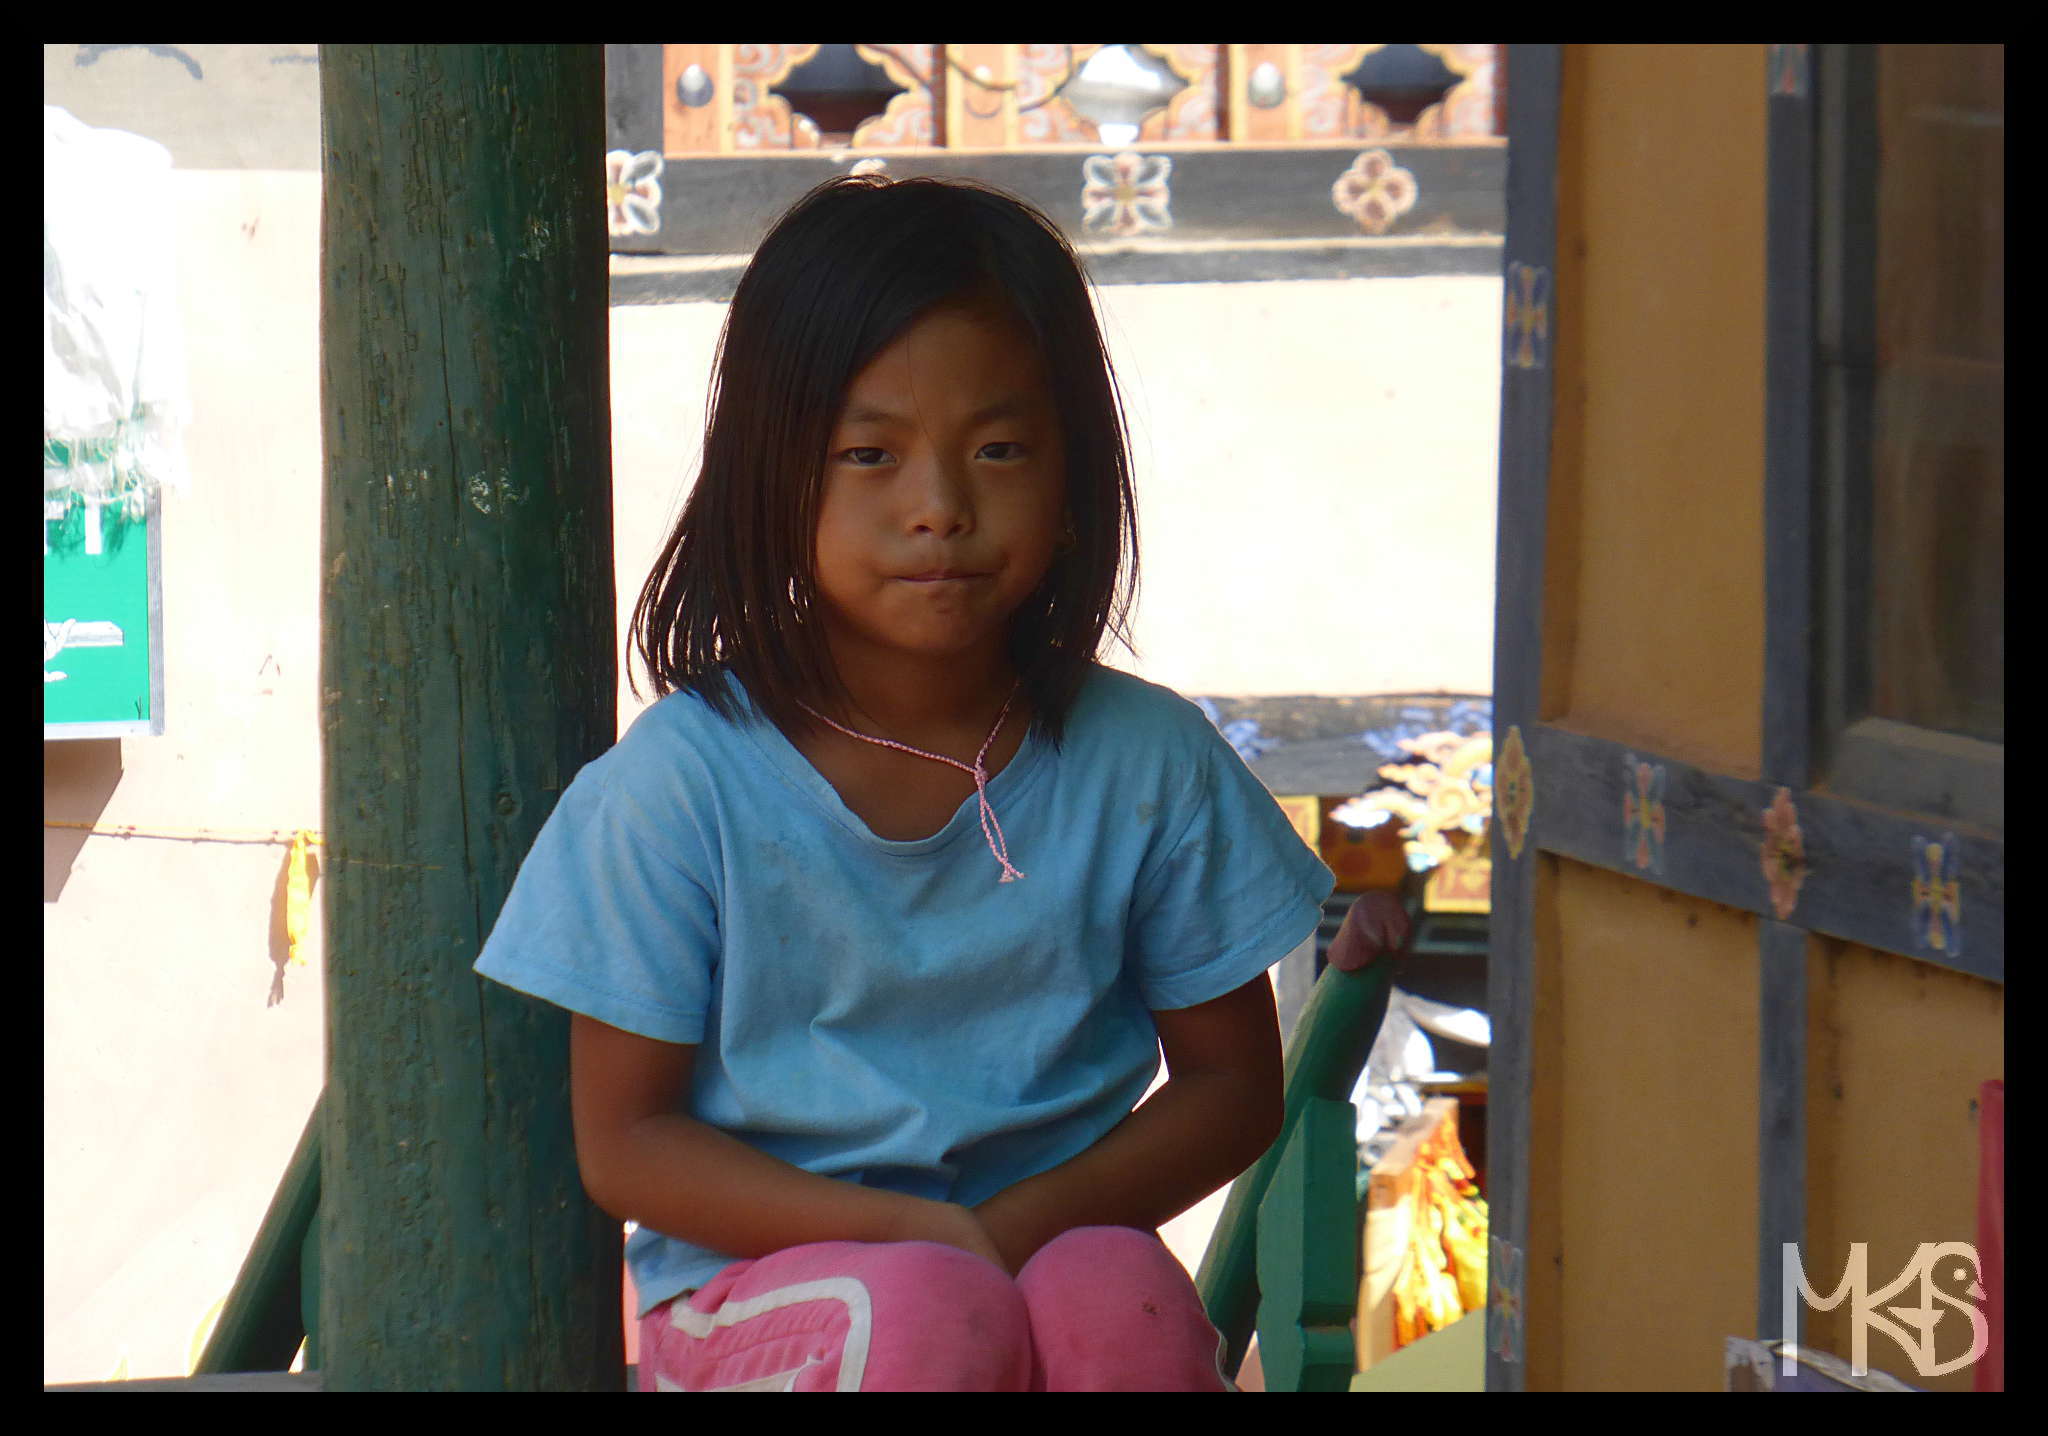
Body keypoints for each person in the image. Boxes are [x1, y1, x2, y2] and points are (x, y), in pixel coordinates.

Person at [473, 174, 1342, 1392]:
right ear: (772, 476)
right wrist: (920, 1240)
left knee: (1120, 1296)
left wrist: (1015, 1227)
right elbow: (625, 1143)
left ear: (1072, 468)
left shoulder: (1144, 760)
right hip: (753, 1294)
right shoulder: (681, 787)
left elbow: (1231, 1084)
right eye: (867, 453)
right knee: (927, 1311)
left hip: (1040, 1264)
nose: (938, 508)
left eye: (997, 449)